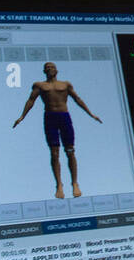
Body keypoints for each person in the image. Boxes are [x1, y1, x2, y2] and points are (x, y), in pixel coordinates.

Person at [12, 62, 103, 199]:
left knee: (70, 151)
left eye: (52, 67)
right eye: (47, 68)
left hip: (64, 117)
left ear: (57, 70)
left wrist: (91, 114)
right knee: (54, 153)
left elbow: (77, 99)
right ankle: (59, 185)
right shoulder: (40, 85)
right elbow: (31, 100)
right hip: (50, 118)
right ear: (44, 71)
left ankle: (74, 183)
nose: (50, 69)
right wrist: (21, 117)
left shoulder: (65, 84)